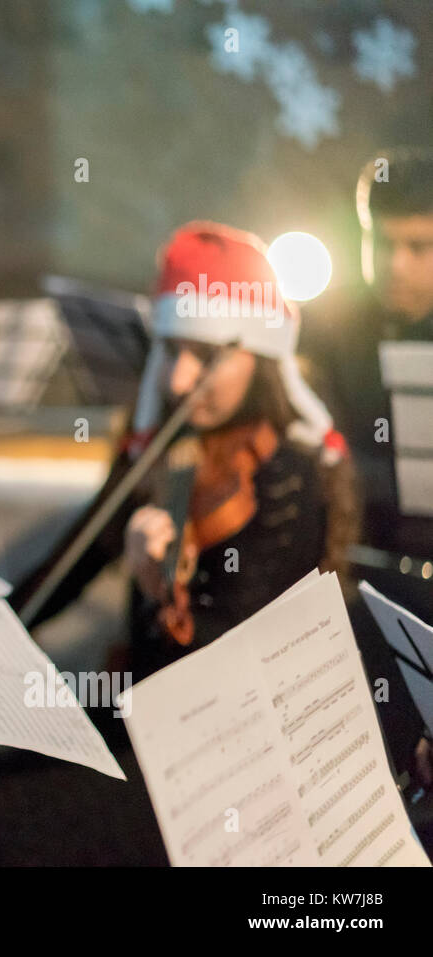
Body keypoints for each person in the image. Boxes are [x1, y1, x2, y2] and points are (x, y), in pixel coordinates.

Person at [0, 223, 359, 864]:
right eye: (171, 350)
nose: (180, 379)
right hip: (144, 717)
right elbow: (68, 565)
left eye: (206, 356)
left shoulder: (293, 474)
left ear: (260, 356)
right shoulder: (158, 449)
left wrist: (163, 591)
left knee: (14, 826)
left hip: (234, 756)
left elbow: (232, 661)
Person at [300, 147, 433, 791]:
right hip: (355, 576)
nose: (395, 265)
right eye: (381, 243)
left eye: (419, 246)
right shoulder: (329, 332)